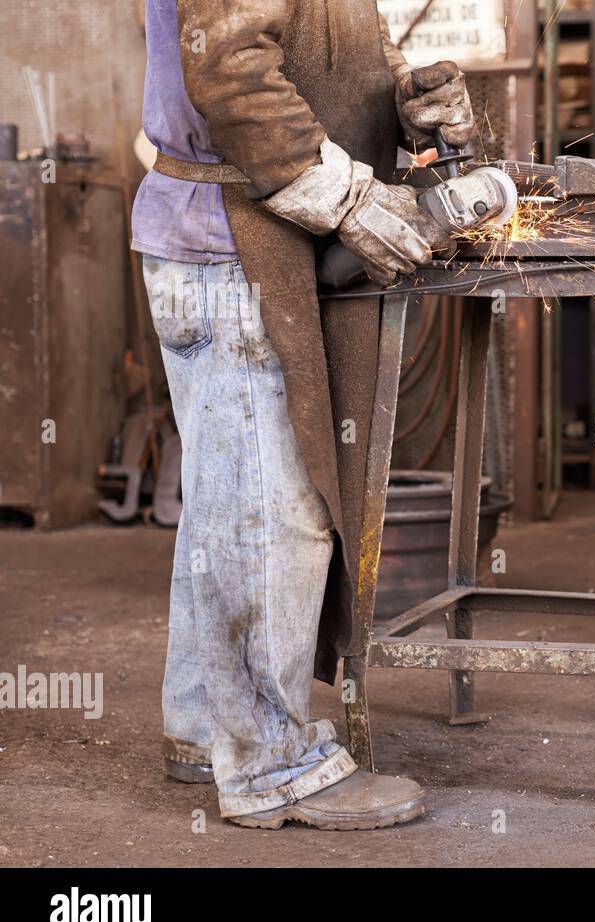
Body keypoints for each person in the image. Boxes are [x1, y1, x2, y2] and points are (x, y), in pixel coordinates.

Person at [133, 0, 473, 829]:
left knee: (228, 498)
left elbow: (314, 58)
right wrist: (347, 199)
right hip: (230, 245)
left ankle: (205, 726)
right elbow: (233, 73)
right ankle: (272, 765)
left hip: (228, 244)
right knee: (271, 510)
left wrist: (403, 97)